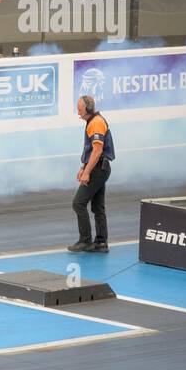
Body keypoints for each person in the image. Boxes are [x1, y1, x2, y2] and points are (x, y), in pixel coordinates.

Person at [68, 94, 115, 254]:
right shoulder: (93, 121)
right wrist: (83, 166)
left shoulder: (96, 123)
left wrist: (87, 172)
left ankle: (85, 241)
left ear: (87, 109)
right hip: (100, 167)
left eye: (80, 110)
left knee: (78, 203)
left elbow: (97, 150)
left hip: (97, 170)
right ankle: (101, 243)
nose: (78, 113)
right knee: (97, 207)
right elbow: (91, 151)